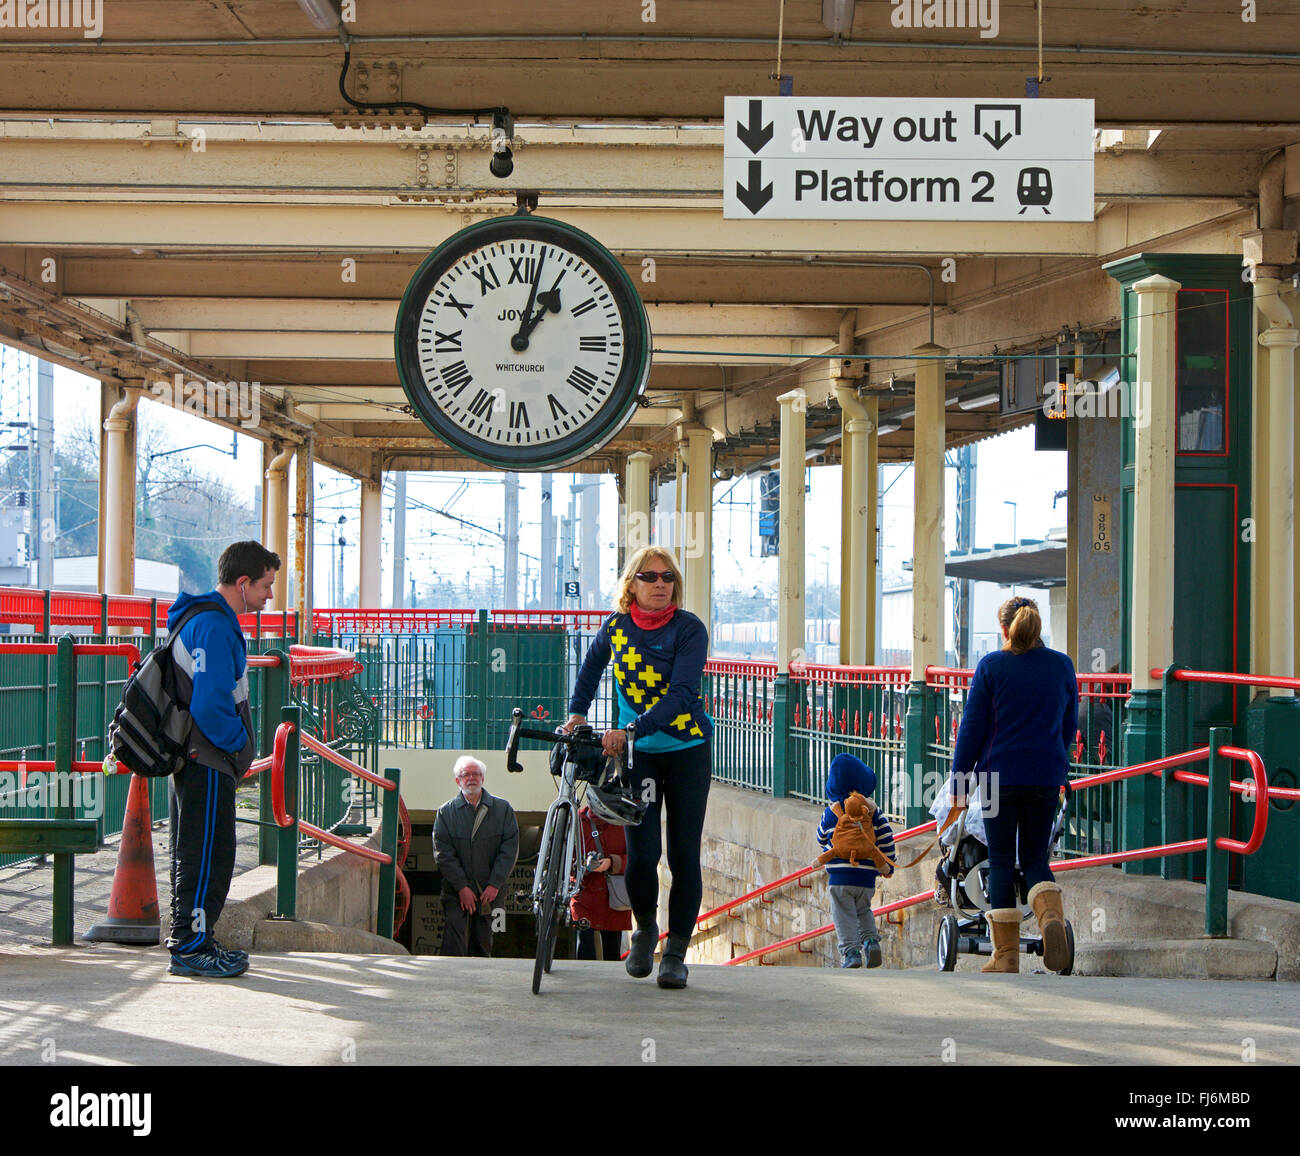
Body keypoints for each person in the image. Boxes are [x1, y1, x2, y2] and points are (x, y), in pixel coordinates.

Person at [564, 545, 712, 990]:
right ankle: (645, 930)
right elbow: (591, 670)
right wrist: (577, 712)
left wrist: (631, 729)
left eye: (668, 578)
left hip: (687, 749)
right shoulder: (615, 627)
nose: (661, 584)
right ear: (632, 584)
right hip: (638, 755)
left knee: (684, 854)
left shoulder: (689, 630)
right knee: (643, 854)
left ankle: (678, 952)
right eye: (650, 577)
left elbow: (683, 692)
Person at [165, 540, 280, 978]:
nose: (270, 595)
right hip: (208, 759)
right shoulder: (214, 626)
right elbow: (211, 704)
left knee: (202, 851)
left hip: (202, 758)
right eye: (266, 585)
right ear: (243, 582)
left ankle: (198, 940)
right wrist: (237, 748)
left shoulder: (204, 619)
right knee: (206, 854)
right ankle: (191, 946)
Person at [949, 596, 1078, 974]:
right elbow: (1068, 726)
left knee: (1002, 860)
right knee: (1036, 858)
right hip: (1045, 777)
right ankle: (1050, 918)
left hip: (995, 780)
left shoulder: (991, 667)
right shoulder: (1062, 666)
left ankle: (1005, 957)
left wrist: (960, 782)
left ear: (1004, 629)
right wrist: (1056, 761)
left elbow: (971, 731)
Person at [433, 756, 519, 957]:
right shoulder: (445, 813)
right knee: (453, 945)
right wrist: (461, 887)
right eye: (465, 775)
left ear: (483, 778)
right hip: (456, 892)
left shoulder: (503, 809)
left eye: (476, 774)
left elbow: (509, 851)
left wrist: (494, 884)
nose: (471, 778)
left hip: (490, 893)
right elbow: (443, 853)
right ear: (458, 781)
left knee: (484, 945)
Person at [817, 753, 895, 969]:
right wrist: (889, 864)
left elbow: (821, 837)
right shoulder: (872, 811)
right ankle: (871, 941)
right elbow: (886, 837)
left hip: (840, 877)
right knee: (863, 910)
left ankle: (851, 952)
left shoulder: (832, 812)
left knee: (843, 914)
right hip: (866, 877)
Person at [570, 801, 631, 961]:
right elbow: (564, 859)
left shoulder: (623, 822)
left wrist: (611, 863)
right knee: (585, 944)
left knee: (612, 947)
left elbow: (638, 860)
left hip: (613, 897)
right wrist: (582, 866)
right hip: (584, 894)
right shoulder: (577, 821)